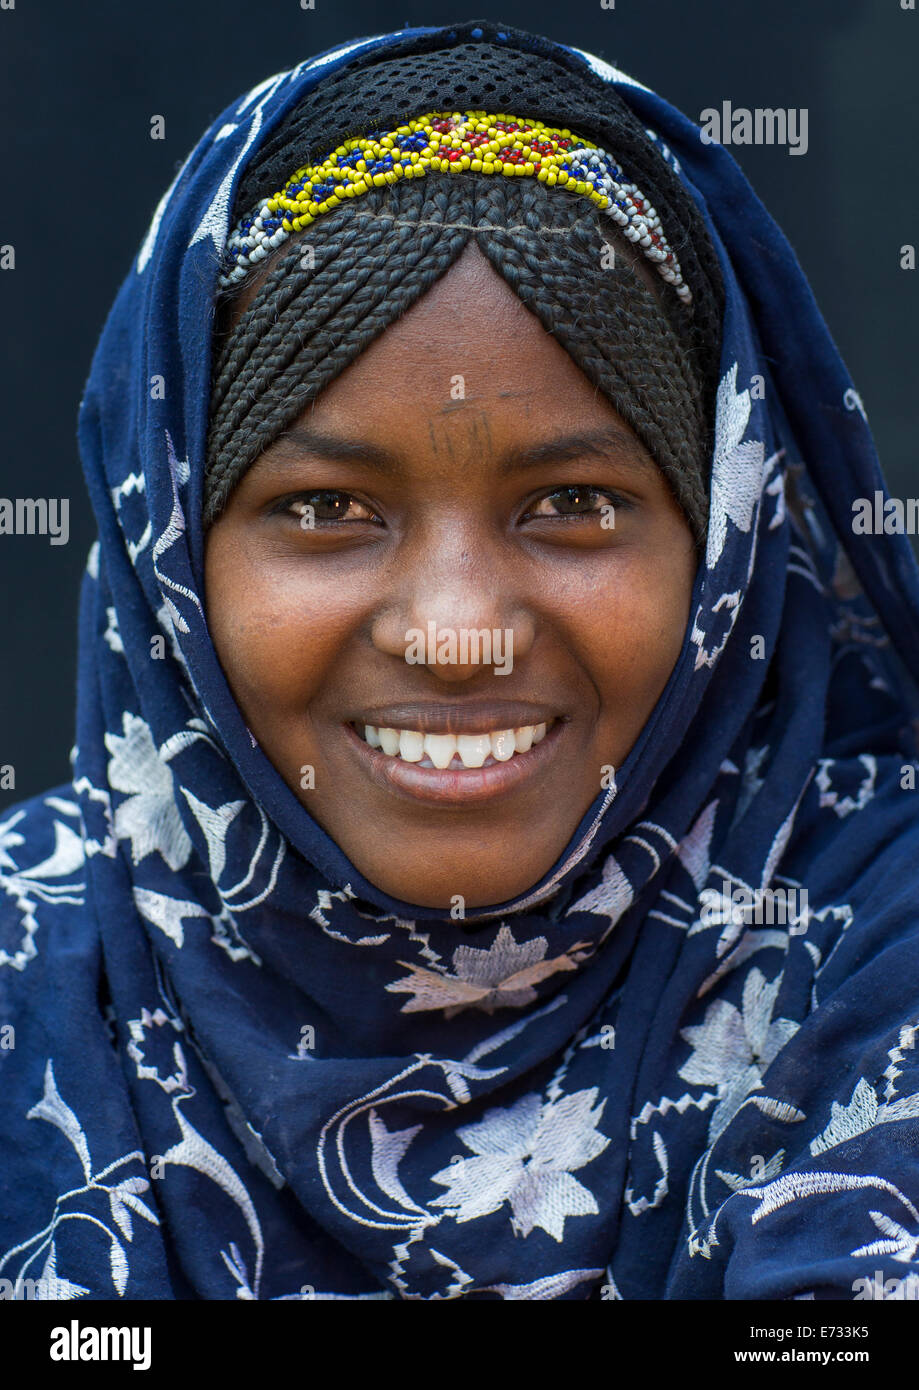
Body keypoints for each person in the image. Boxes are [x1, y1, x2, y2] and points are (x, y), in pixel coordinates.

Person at [1, 18, 918, 1302]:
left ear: (722, 539)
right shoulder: (31, 969)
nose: (454, 632)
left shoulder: (873, 943)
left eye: (572, 503)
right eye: (327, 510)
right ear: (171, 553)